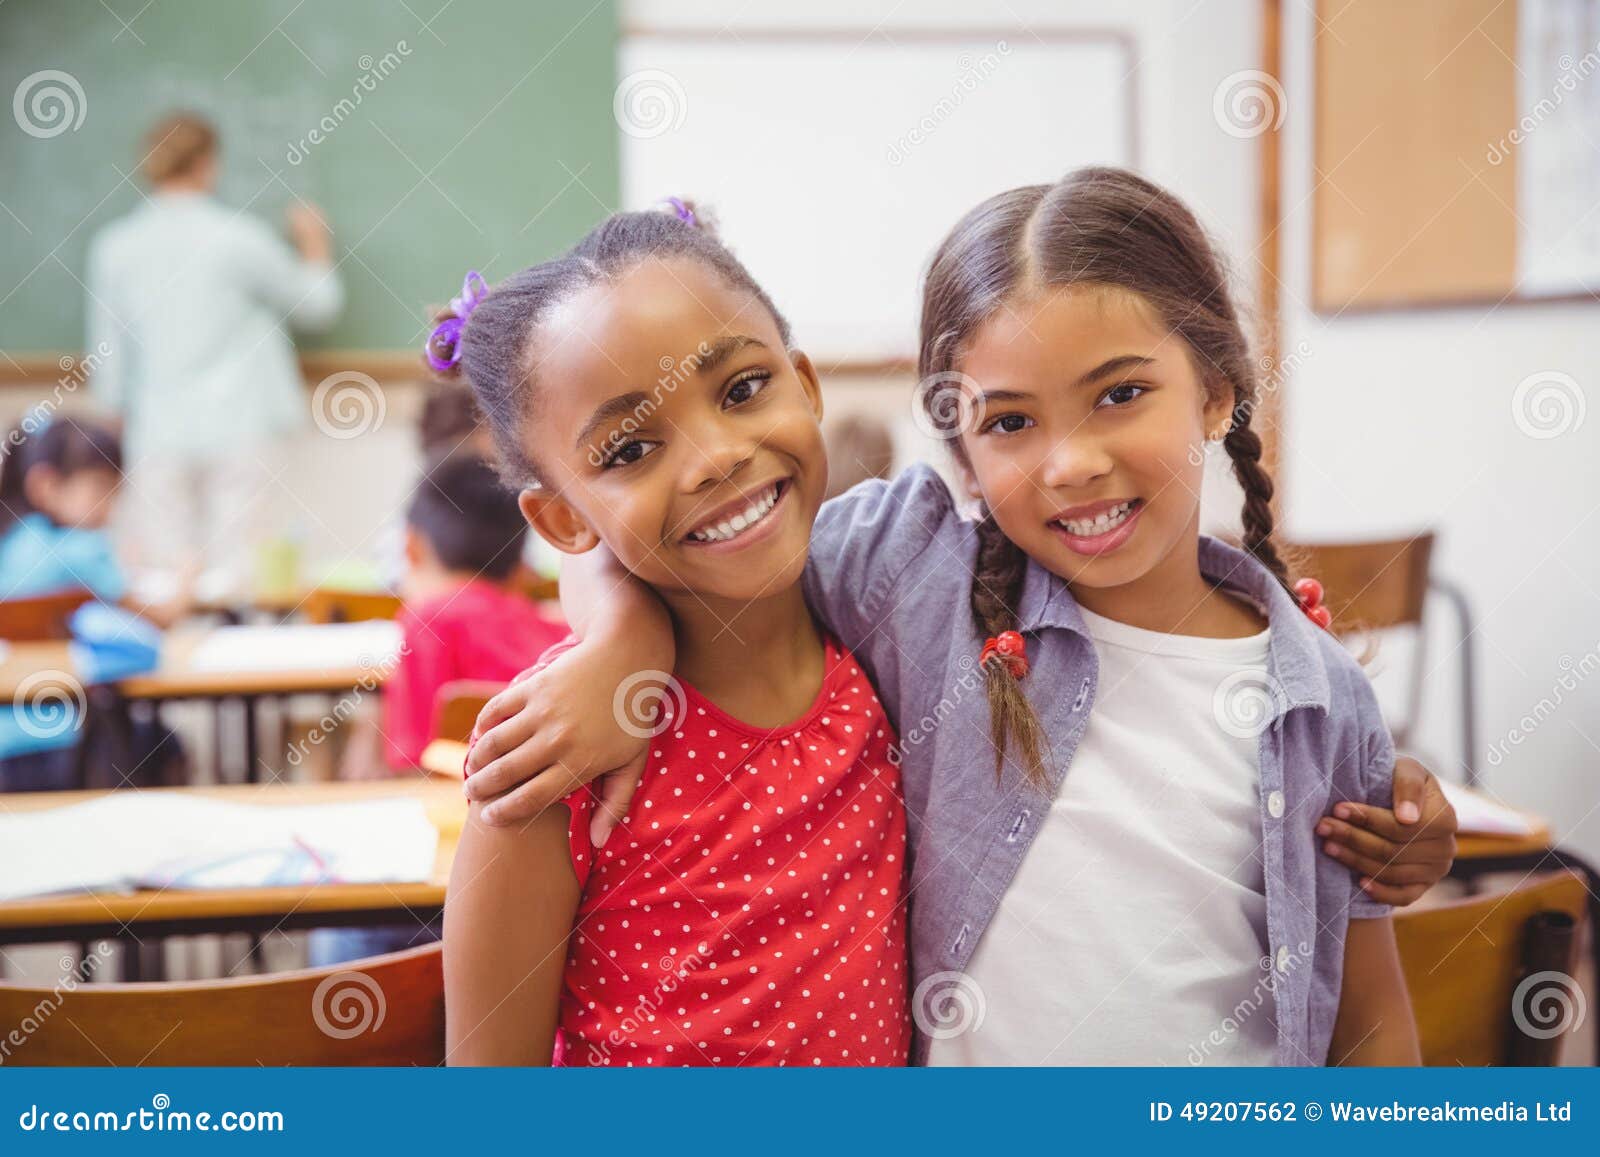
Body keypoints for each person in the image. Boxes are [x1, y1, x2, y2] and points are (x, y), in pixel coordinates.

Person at [462, 172, 1461, 1065]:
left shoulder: (1318, 698)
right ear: (960, 450)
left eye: (1119, 393)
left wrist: (1402, 805)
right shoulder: (914, 579)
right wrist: (614, 646)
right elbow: (659, 549)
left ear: (1216, 392)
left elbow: (1364, 1014)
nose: (1070, 462)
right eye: (1011, 422)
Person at [442, 206, 911, 1066]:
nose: (713, 459)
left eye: (741, 390)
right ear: (561, 519)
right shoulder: (551, 758)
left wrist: (621, 631)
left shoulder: (890, 642)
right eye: (628, 449)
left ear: (805, 385)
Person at [84, 111, 344, 603]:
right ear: (208, 164)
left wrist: (112, 437)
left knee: (166, 579)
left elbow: (109, 358)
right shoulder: (237, 238)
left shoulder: (114, 247)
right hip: (240, 425)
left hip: (155, 430)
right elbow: (317, 305)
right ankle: (234, 669)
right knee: (240, 579)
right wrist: (315, 246)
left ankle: (173, 672)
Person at [0, 417, 183, 790]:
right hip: (65, 739)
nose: (108, 509)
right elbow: (157, 620)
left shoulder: (12, 540)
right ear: (45, 485)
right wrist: (187, 582)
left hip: (11, 739)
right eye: (100, 490)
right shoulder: (85, 549)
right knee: (165, 743)